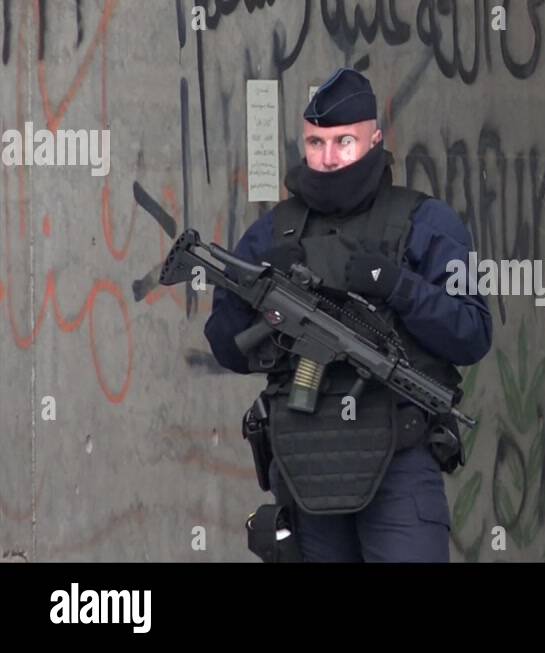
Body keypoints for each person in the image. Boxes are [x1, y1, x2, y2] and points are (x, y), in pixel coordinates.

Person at [204, 67, 492, 562]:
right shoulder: (274, 233)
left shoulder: (424, 223)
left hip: (398, 462)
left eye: (344, 142)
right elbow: (227, 345)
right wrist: (266, 299)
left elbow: (471, 334)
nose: (328, 159)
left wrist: (397, 285)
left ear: (375, 139)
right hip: (304, 465)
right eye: (316, 144)